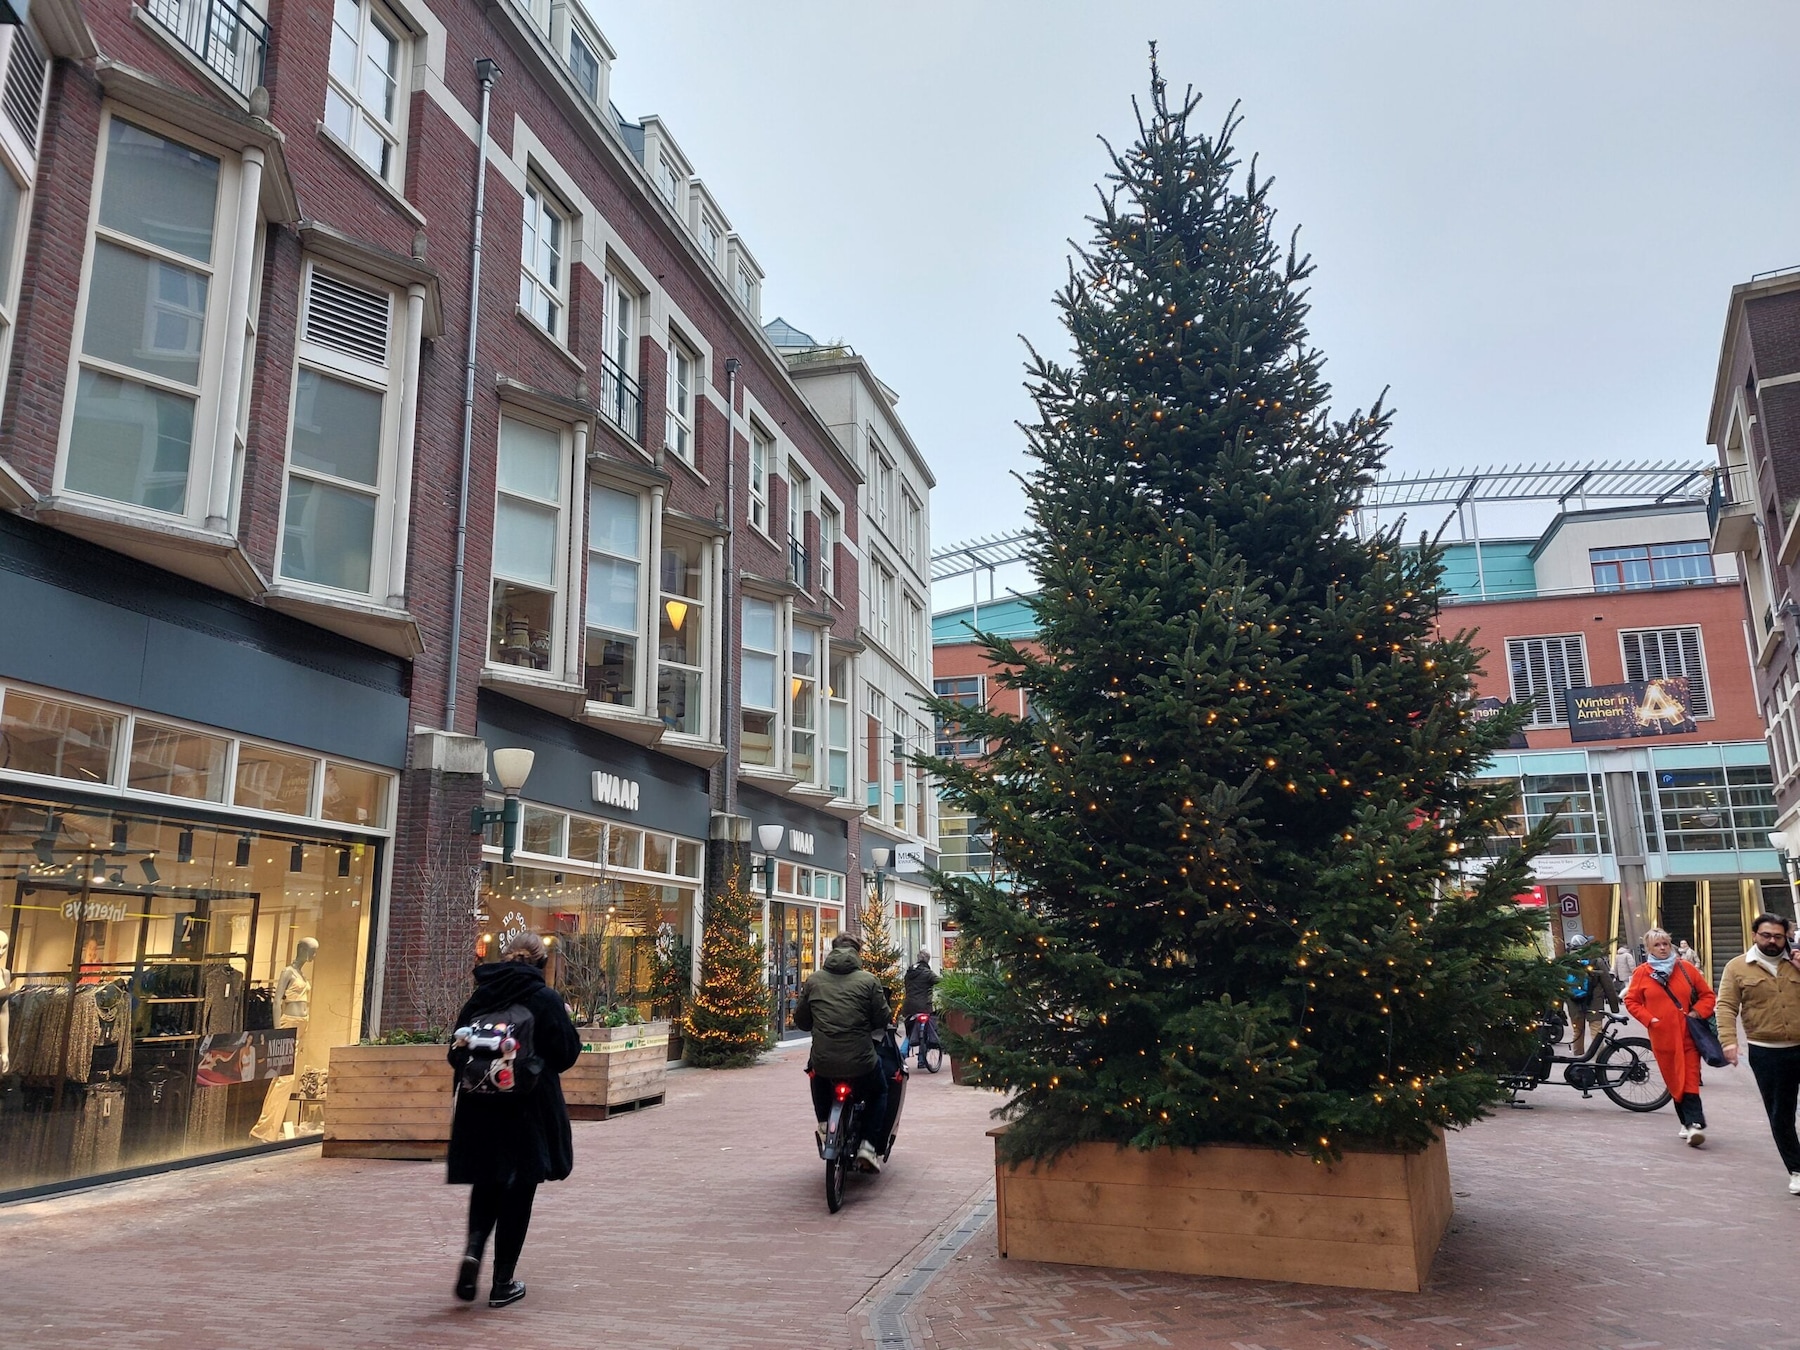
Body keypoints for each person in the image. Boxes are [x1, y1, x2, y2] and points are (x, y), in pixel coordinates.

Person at [446, 930, 581, 1309]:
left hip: (479, 1108)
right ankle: (502, 1283)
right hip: (528, 1110)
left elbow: (455, 1052)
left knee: (486, 1182)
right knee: (520, 1191)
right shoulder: (544, 998)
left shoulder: (481, 995)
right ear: (541, 962)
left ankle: (473, 1250)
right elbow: (566, 1054)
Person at [1715, 913, 1800, 1192]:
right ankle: (1797, 1169)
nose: (1772, 941)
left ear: (1786, 937)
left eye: (1778, 936)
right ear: (1754, 935)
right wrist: (1728, 1041)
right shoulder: (1738, 967)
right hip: (1768, 1052)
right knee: (1781, 1113)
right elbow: (1726, 1006)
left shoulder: (1796, 962)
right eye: (1766, 935)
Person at [793, 933, 890, 1172]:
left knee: (816, 1073)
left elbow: (802, 1021)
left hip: (824, 1060)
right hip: (861, 1060)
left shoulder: (814, 980)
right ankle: (868, 1146)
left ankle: (824, 1123)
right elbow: (882, 1018)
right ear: (858, 953)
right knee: (880, 1090)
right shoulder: (869, 981)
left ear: (832, 951)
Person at [1623, 926, 1717, 1147]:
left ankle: (1695, 1124)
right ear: (1649, 948)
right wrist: (1650, 1020)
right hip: (1662, 1038)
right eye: (1657, 945)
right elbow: (1631, 1001)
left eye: (1665, 943)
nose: (1663, 948)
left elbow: (1707, 995)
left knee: (1690, 1078)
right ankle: (1686, 1122)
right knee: (1675, 1081)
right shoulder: (1642, 973)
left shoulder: (1686, 968)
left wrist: (1697, 1012)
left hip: (1689, 1036)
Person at [1563, 936, 1619, 1056]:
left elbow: (1560, 986)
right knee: (1596, 1031)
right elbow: (1608, 984)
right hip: (1594, 1002)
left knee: (1577, 1032)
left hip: (1573, 1002)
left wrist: (1558, 1010)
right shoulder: (1596, 960)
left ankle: (1577, 1060)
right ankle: (1599, 1060)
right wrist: (1614, 1007)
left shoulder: (1565, 962)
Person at [901, 950, 940, 1024]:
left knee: (910, 1027)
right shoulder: (928, 973)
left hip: (908, 1007)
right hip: (923, 1008)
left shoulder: (909, 973)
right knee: (928, 1027)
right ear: (927, 960)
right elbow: (941, 982)